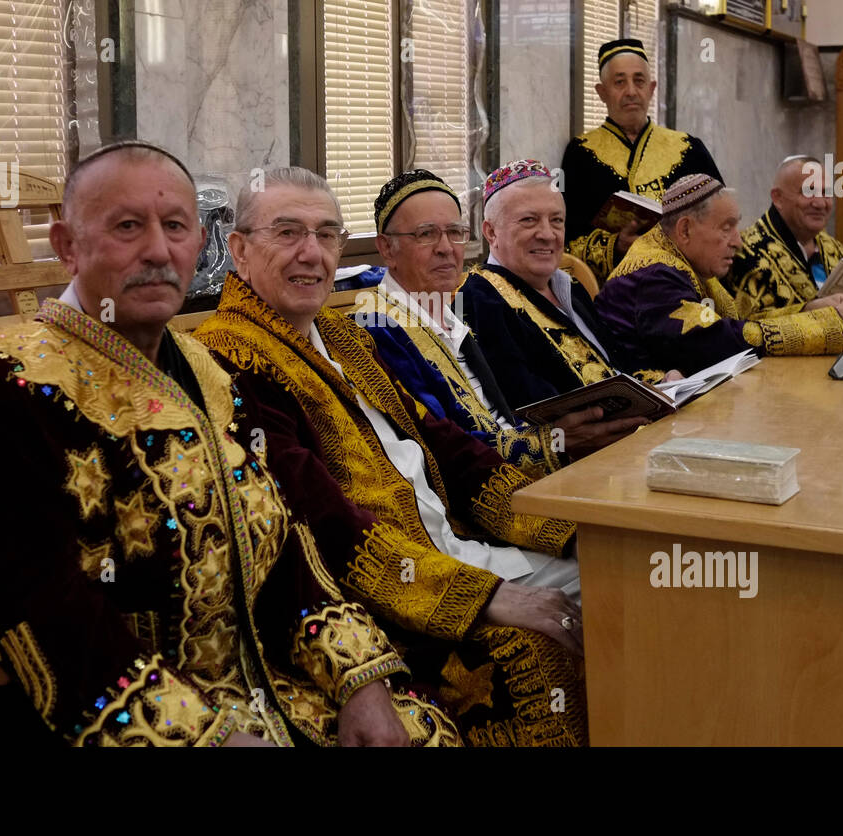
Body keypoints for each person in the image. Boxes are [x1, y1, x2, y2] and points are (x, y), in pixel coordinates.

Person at [0, 141, 457, 748]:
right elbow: (42, 612)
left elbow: (288, 552)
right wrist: (214, 740)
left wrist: (359, 682)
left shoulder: (212, 371)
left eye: (176, 227)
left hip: (278, 690)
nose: (158, 251)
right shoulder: (2, 389)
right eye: (128, 227)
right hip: (126, 720)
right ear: (67, 246)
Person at [194, 166, 589, 747]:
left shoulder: (341, 335)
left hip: (459, 547)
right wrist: (485, 598)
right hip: (387, 598)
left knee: (626, 569)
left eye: (326, 235)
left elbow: (449, 448)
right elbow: (316, 520)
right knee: (559, 625)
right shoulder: (229, 361)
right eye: (287, 233)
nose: (311, 253)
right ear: (239, 249)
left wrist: (571, 530)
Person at [355, 169, 640, 476]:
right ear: (386, 248)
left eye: (455, 232)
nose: (446, 248)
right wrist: (556, 442)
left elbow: (502, 422)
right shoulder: (378, 330)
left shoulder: (449, 313)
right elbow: (443, 450)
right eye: (426, 234)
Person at [596, 173, 843, 380]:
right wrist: (827, 328)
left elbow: (738, 324)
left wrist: (812, 309)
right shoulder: (655, 274)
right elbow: (715, 341)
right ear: (685, 230)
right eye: (726, 228)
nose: (738, 241)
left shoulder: (683, 259)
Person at [455, 160, 640, 414]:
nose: (547, 234)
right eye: (529, 220)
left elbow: (616, 363)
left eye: (556, 221)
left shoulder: (570, 286)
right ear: (491, 232)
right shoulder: (480, 300)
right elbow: (529, 407)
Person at [560, 38, 723, 283]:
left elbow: (721, 220)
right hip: (612, 293)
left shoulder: (689, 148)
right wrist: (615, 247)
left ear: (651, 88)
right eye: (619, 82)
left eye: (639, 81)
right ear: (601, 92)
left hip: (686, 286)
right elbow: (564, 238)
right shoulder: (580, 154)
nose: (631, 92)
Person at [725, 155, 843, 316]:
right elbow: (741, 329)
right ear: (778, 198)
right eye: (809, 191)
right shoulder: (745, 253)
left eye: (826, 192)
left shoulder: (836, 250)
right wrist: (811, 313)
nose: (820, 203)